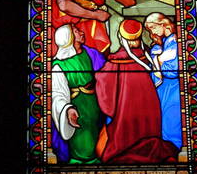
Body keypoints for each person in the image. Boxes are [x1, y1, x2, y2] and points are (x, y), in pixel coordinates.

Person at [94, 18, 178, 164]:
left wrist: (99, 75)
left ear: (121, 38)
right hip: (150, 105)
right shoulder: (148, 58)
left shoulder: (115, 62)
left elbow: (104, 86)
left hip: (124, 109)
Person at [50, 23, 105, 164]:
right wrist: (68, 109)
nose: (81, 32)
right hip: (77, 106)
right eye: (76, 31)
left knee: (98, 134)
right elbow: (58, 94)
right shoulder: (59, 64)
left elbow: (105, 74)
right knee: (83, 140)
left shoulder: (91, 54)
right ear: (69, 38)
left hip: (96, 103)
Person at [144, 12, 183, 152]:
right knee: (162, 119)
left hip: (174, 88)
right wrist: (157, 57)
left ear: (162, 24)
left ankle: (174, 150)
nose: (152, 32)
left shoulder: (176, 42)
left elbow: (172, 70)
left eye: (153, 28)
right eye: (149, 30)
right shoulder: (165, 42)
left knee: (171, 120)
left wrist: (158, 59)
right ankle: (166, 151)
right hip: (163, 89)